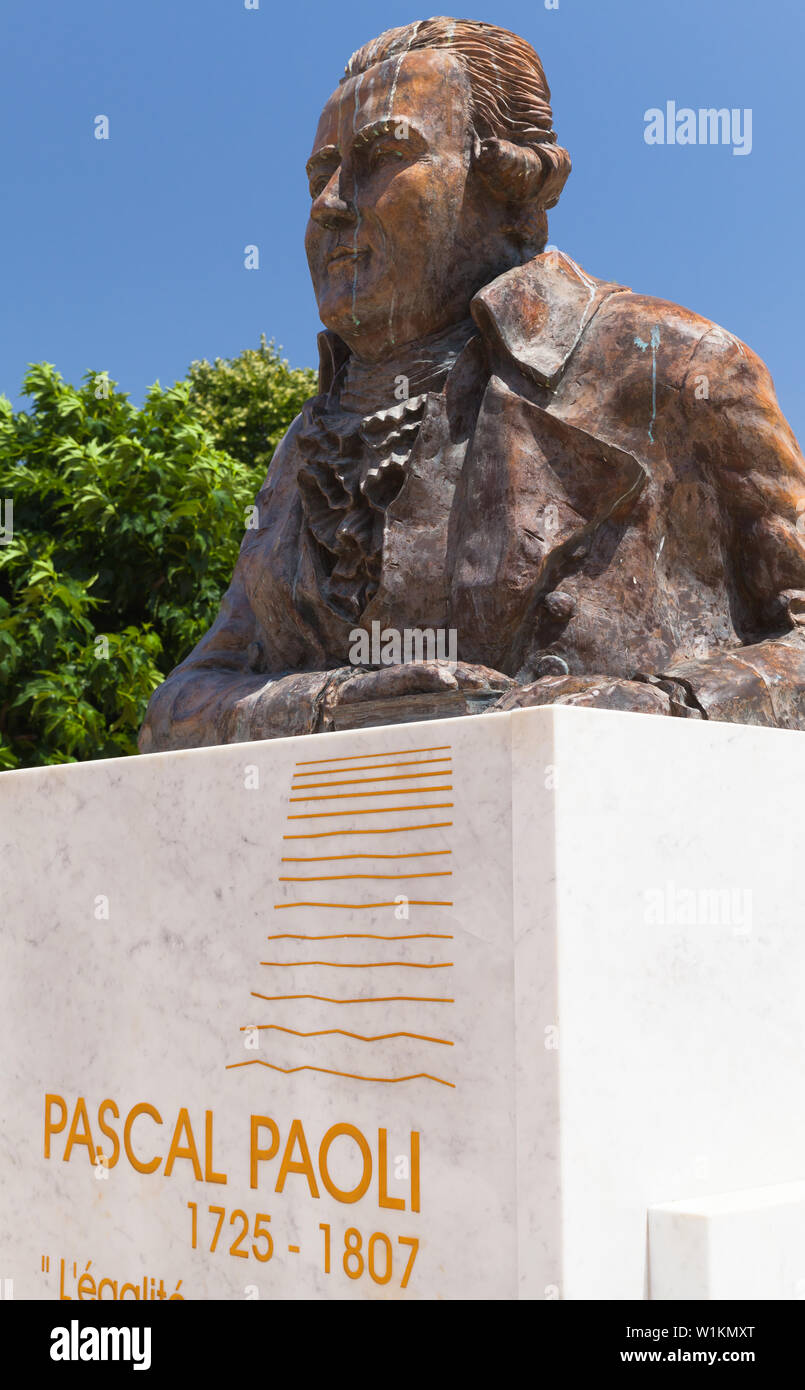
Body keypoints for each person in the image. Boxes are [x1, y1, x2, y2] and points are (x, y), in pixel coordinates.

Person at [139, 17, 805, 752]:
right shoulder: (301, 444)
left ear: (506, 177)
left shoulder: (670, 366)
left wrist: (659, 712)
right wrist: (332, 705)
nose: (328, 202)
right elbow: (181, 702)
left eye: (383, 153)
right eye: (317, 174)